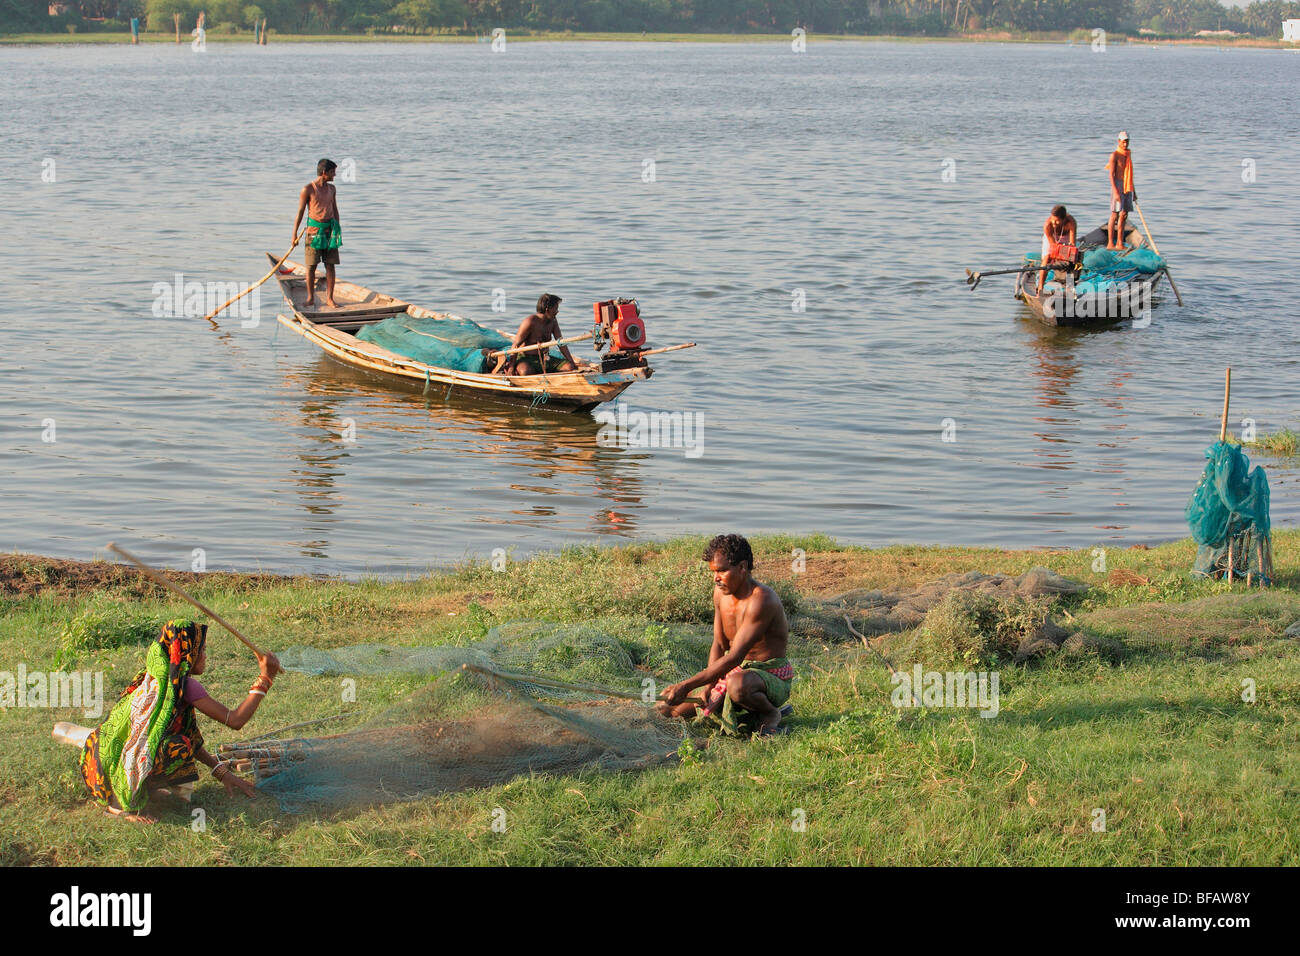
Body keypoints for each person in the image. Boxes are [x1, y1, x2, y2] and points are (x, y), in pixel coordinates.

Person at [80, 619, 283, 824]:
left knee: (176, 740)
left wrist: (222, 773)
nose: (205, 656)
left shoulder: (155, 677)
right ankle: (118, 806)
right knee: (177, 747)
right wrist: (265, 678)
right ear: (187, 653)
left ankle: (145, 788)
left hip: (98, 764)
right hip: (108, 771)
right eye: (201, 650)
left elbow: (188, 733)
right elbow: (235, 720)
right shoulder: (183, 686)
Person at [657, 534, 794, 737]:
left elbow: (735, 656)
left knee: (738, 685)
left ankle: (770, 713)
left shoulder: (762, 600)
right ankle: (744, 713)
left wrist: (686, 685)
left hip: (769, 676)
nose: (716, 578)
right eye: (713, 571)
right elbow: (720, 645)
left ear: (742, 567)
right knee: (666, 710)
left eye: (722, 570)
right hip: (733, 672)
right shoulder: (720, 595)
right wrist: (708, 686)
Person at [292, 158, 342, 308]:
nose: (334, 175)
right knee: (311, 266)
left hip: (329, 232)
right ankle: (310, 298)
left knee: (330, 265)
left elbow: (335, 209)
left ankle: (330, 299)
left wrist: (337, 229)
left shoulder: (332, 189)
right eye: (332, 172)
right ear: (324, 173)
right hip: (313, 233)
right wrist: (294, 235)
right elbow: (300, 212)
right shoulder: (308, 189)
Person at [496, 293, 584, 376]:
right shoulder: (530, 321)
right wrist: (511, 367)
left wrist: (571, 361)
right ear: (547, 309)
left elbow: (561, 343)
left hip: (544, 359)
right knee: (526, 371)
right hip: (526, 359)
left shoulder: (553, 321)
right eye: (555, 309)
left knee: (569, 367)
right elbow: (515, 346)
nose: (557, 312)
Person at [1035, 204, 1078, 295]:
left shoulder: (1071, 222)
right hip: (1052, 239)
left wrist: (1068, 253)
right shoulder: (1048, 225)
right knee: (1047, 259)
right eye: (1053, 220)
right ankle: (1040, 288)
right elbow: (1053, 246)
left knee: (1071, 258)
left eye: (1057, 221)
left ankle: (1069, 287)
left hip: (1065, 237)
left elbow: (1072, 243)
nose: (1054, 223)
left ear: (1063, 219)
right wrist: (1056, 255)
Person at [1105, 132, 1136, 251]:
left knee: (1124, 215)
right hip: (1117, 185)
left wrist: (1134, 192)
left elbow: (1129, 174)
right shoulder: (1115, 155)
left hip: (1127, 185)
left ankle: (1119, 242)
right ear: (1119, 141)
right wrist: (1116, 191)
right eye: (1123, 141)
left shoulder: (1128, 154)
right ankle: (1110, 243)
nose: (1125, 143)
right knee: (1115, 214)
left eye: (1127, 141)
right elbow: (1111, 175)